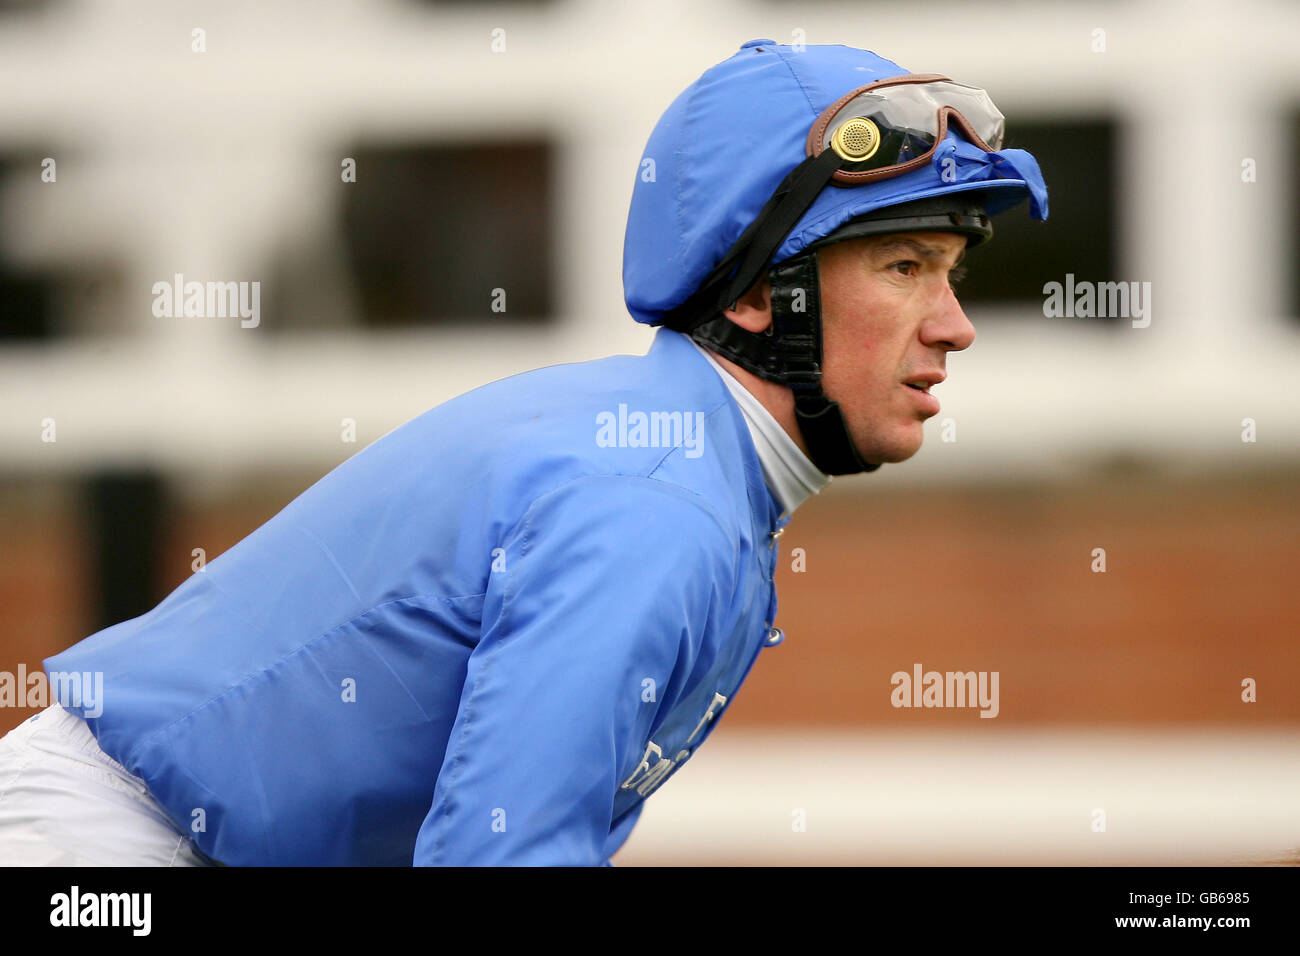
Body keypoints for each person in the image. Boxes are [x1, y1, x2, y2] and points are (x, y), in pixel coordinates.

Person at [0, 40, 1047, 866]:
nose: (953, 323)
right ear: (758, 292)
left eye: (949, 271)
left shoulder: (688, 471)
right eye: (906, 266)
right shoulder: (656, 505)